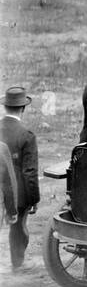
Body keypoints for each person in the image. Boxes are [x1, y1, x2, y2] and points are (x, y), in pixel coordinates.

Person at [2, 86, 39, 270]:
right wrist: (34, 199)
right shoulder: (26, 135)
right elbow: (30, 172)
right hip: (17, 190)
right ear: (23, 108)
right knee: (18, 228)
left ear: (5, 107)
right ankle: (17, 264)